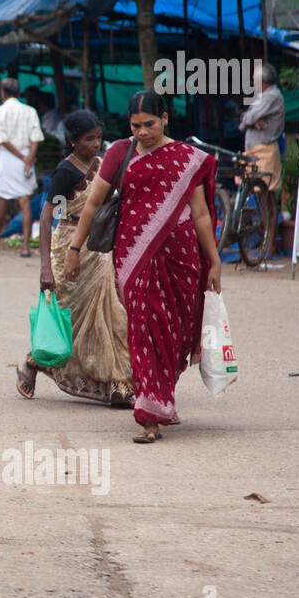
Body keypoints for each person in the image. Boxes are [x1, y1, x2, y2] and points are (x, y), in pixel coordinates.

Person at [65, 90, 222, 443]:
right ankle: (150, 415)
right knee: (144, 329)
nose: (143, 132)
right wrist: (74, 248)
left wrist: (214, 261)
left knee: (173, 330)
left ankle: (163, 397)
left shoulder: (186, 158)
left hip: (180, 258)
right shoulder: (120, 153)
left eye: (149, 124)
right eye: (136, 126)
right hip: (134, 258)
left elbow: (200, 214)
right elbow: (92, 204)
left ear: (165, 118)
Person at [16, 110, 133, 406]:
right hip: (70, 245)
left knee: (111, 314)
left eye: (98, 138)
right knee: (71, 315)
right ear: (72, 141)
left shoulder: (102, 165)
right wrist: (45, 268)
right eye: (89, 139)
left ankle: (118, 383)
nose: (96, 144)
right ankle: (33, 362)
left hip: (99, 244)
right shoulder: (65, 173)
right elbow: (46, 218)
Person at [0, 78, 44, 257]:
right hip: (26, 158)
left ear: (2, 94)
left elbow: (2, 139)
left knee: (3, 200)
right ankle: (25, 246)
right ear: (19, 94)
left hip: (8, 159)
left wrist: (22, 157)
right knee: (24, 201)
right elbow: (36, 138)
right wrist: (28, 158)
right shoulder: (30, 111)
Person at [239, 62, 285, 193]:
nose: (253, 83)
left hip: (264, 150)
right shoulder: (262, 96)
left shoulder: (272, 96)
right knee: (255, 188)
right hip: (255, 150)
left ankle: (268, 214)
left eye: (255, 80)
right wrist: (250, 120)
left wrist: (250, 120)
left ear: (263, 82)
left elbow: (249, 117)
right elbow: (245, 119)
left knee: (264, 189)